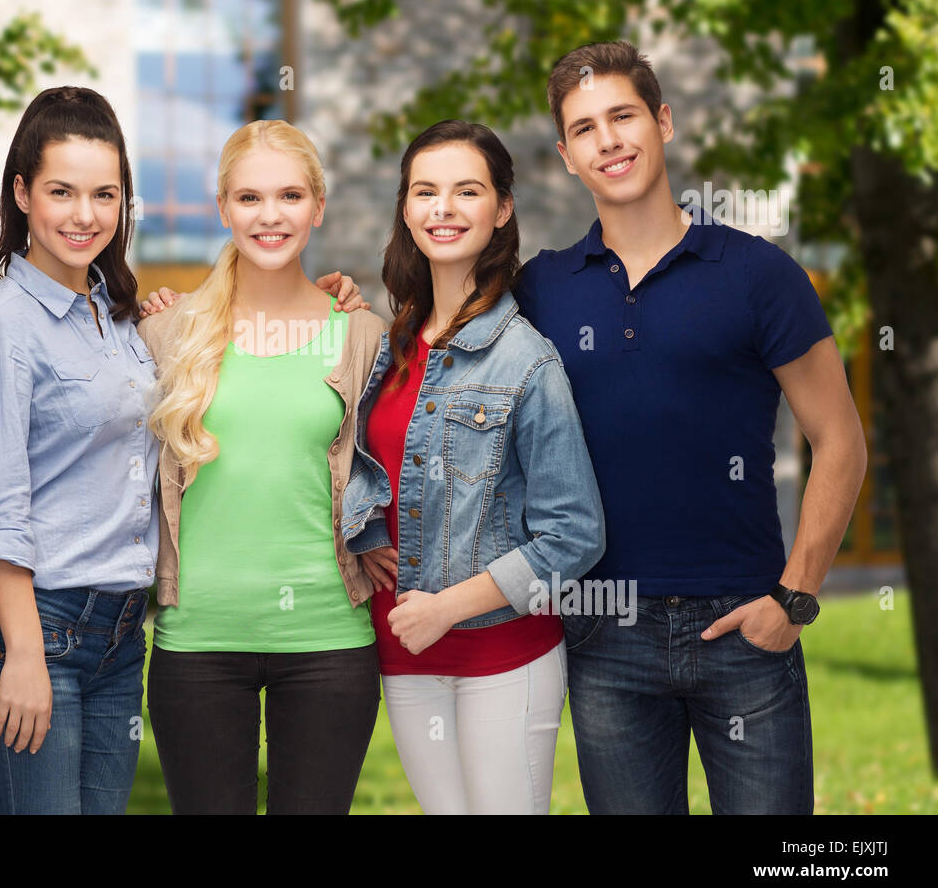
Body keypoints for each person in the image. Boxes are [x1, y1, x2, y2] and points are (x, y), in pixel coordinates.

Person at [515, 40, 867, 814]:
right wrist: (339, 300)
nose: (608, 140)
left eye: (623, 116)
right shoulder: (541, 288)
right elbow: (440, 328)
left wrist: (796, 599)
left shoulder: (759, 275)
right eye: (584, 129)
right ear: (567, 156)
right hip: (603, 634)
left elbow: (840, 439)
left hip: (746, 628)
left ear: (663, 122)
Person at [340, 120, 605, 814]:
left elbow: (573, 534)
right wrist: (367, 541)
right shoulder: (388, 345)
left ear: (502, 209)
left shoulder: (527, 360)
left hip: (504, 656)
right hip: (404, 653)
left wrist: (446, 609)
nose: (443, 208)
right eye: (425, 191)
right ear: (405, 207)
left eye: (467, 191)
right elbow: (367, 468)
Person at [136, 120, 386, 814]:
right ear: (223, 208)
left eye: (289, 196)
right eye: (249, 198)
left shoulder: (362, 335)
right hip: (198, 644)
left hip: (328, 640)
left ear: (318, 206)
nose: (270, 216)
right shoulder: (166, 334)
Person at [0, 86, 156, 814]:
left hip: (121, 635)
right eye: (61, 191)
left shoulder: (119, 314)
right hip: (36, 627)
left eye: (105, 194)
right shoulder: (2, 326)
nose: (84, 214)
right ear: (22, 193)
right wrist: (26, 655)